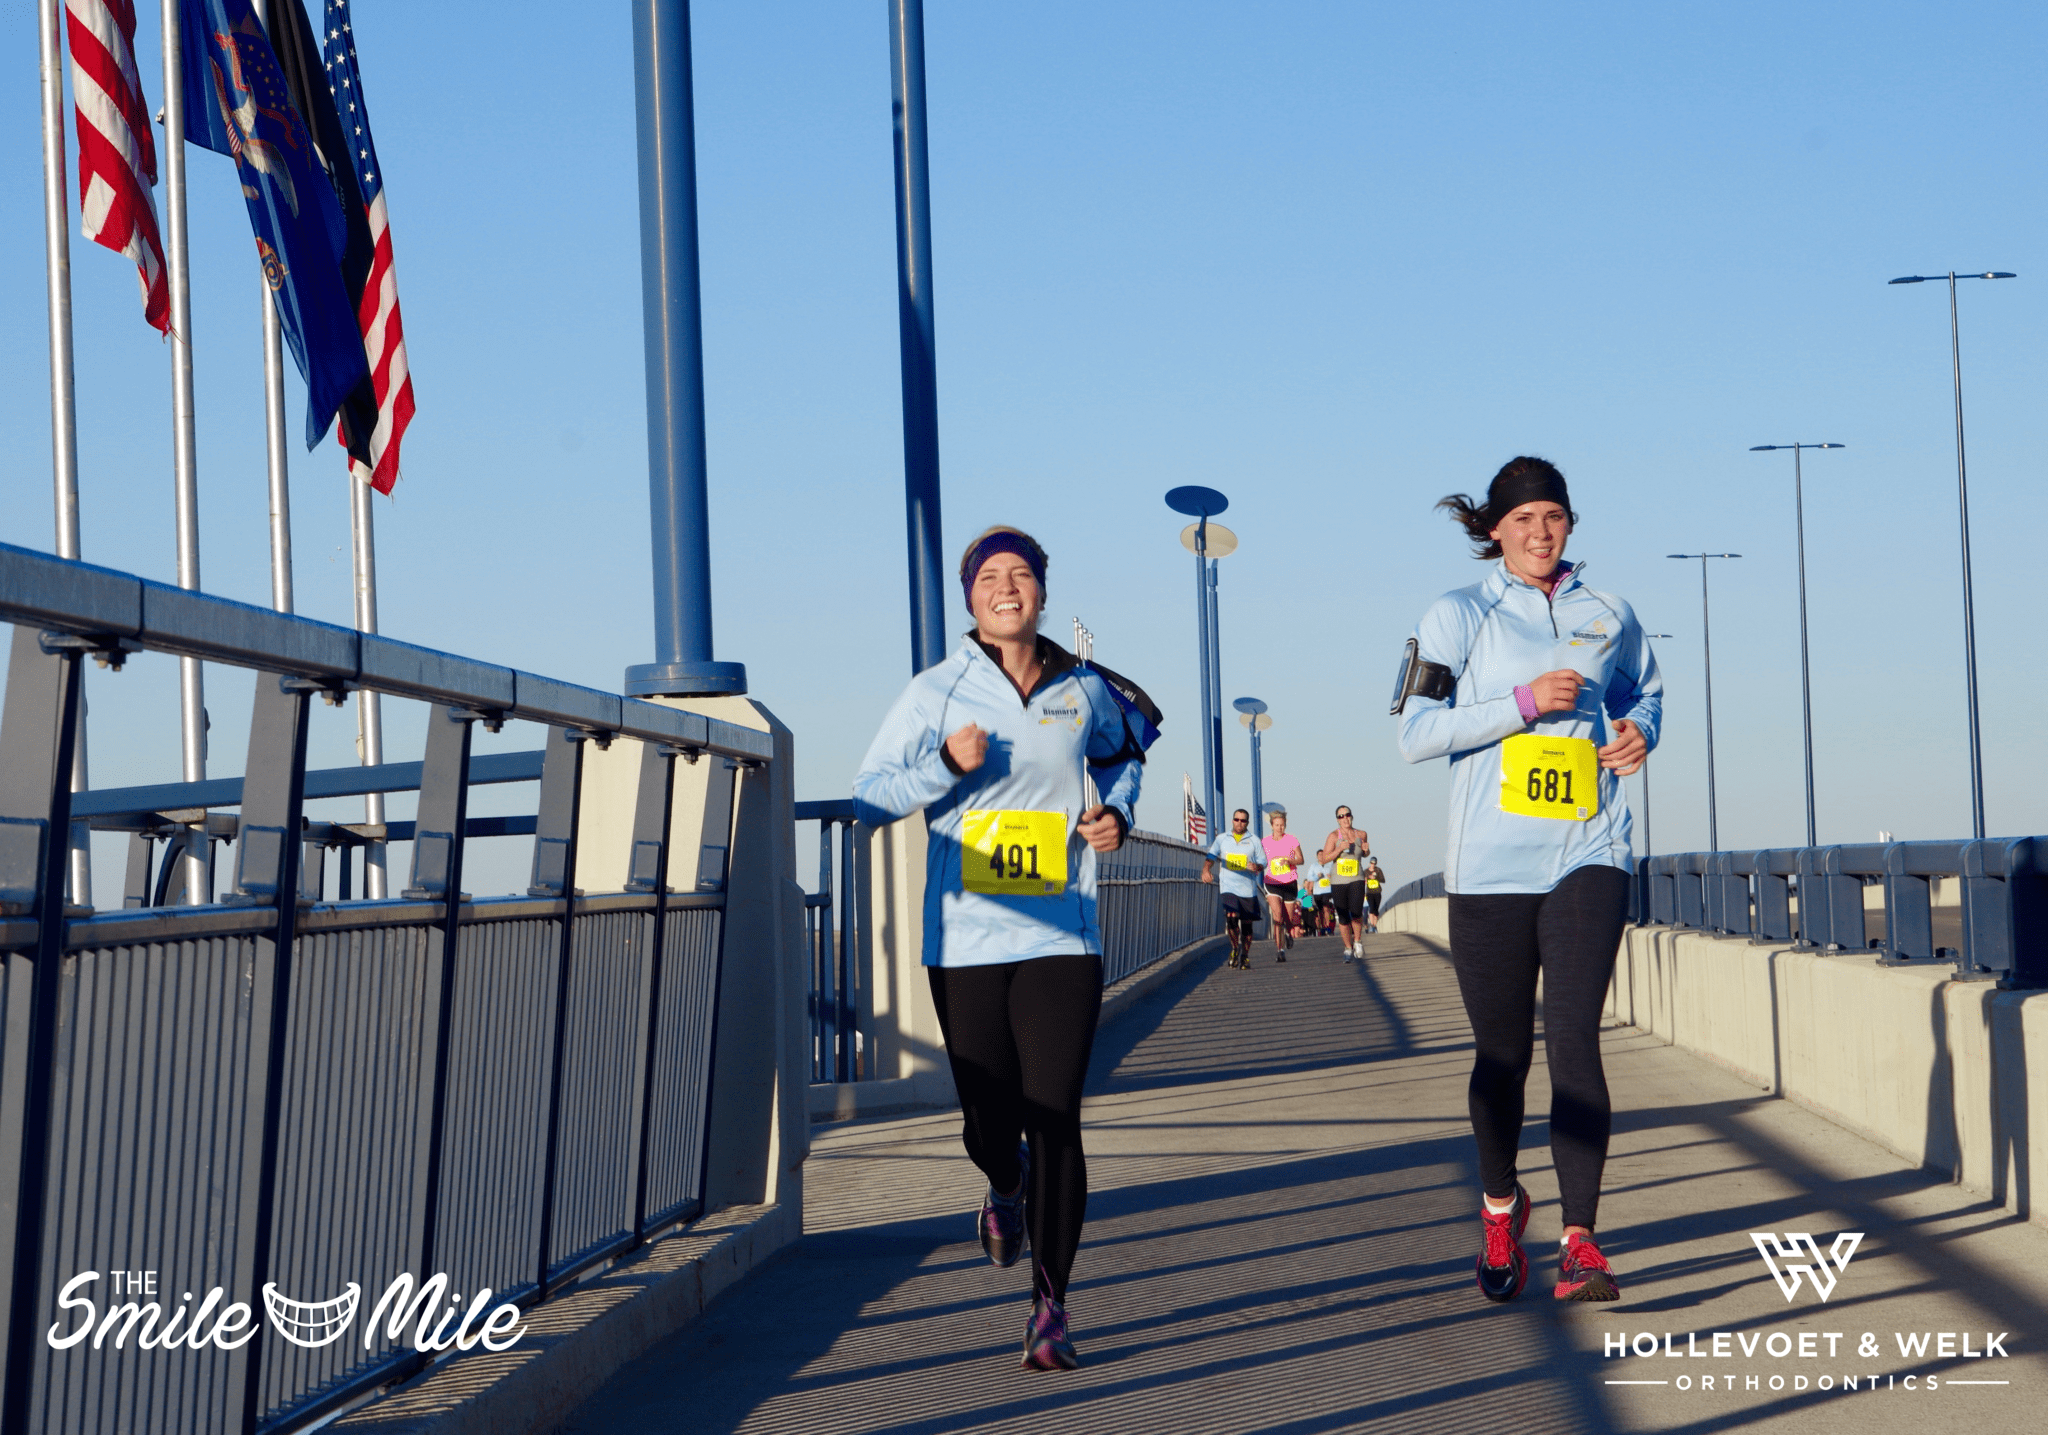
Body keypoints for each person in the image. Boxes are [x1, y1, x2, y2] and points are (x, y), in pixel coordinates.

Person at [854, 525, 1145, 1370]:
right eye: (990, 576)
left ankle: (1051, 1306)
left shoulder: (1084, 687)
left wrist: (1115, 814)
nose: (1007, 586)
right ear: (969, 596)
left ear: (1043, 592)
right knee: (991, 1123)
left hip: (1063, 932)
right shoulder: (934, 692)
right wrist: (942, 766)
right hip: (969, 936)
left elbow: (1126, 758)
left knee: (1057, 1116)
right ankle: (1004, 1185)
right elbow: (872, 797)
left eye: (1022, 573)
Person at [1394, 456, 1660, 1305]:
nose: (1541, 532)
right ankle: (1502, 1206)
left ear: (1570, 524)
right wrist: (1522, 702)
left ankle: (1581, 1241)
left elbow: (1645, 693)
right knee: (1502, 1057)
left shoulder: (1608, 612)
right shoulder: (1457, 615)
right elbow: (1416, 733)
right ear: (1495, 530)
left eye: (1554, 516)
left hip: (1589, 850)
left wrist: (1636, 731)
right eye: (1524, 519)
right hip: (1491, 866)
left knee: (1575, 1038)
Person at [1201, 808, 1267, 968]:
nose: (1239, 823)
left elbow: (1263, 862)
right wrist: (1206, 870)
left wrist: (1256, 866)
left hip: (1247, 889)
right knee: (1231, 916)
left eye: (1243, 820)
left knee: (1246, 924)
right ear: (1232, 820)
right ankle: (1234, 947)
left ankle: (1244, 955)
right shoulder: (1222, 838)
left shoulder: (1254, 840)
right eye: (1236, 819)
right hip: (1228, 886)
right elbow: (1211, 856)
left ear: (1247, 823)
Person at [1318, 807, 1371, 958]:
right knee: (1342, 916)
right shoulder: (1334, 836)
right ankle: (1348, 948)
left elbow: (1365, 853)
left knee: (1356, 911)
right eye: (1341, 816)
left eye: (1347, 815)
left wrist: (1367, 851)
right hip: (1338, 881)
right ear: (1337, 819)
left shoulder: (1361, 834)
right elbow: (1324, 859)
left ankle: (1358, 941)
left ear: (1352, 817)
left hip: (1357, 878)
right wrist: (1339, 849)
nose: (1345, 818)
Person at [1260, 809, 1306, 961]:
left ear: (1285, 825)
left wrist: (1290, 861)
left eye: (1282, 825)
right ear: (1272, 825)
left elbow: (1301, 859)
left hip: (1289, 883)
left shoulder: (1292, 840)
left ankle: (1288, 933)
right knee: (1278, 917)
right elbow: (1260, 859)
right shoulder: (1265, 842)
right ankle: (1280, 950)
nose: (1279, 828)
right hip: (1272, 882)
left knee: (1289, 919)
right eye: (1277, 825)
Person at [1363, 857, 1387, 933]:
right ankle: (1372, 925)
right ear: (1369, 863)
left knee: (1376, 910)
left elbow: (1383, 880)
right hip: (1369, 892)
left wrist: (1376, 878)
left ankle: (1375, 925)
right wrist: (1367, 878)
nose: (1373, 864)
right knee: (1371, 908)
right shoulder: (1365, 871)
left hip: (1377, 892)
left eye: (1374, 863)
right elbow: (1362, 881)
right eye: (1372, 863)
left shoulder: (1378, 870)